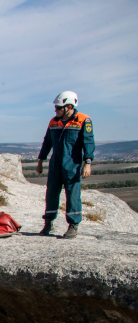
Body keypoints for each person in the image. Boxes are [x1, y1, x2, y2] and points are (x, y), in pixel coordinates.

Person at [35, 91, 94, 239]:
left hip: (72, 164)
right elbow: (47, 142)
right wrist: (41, 160)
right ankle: (48, 222)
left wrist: (87, 163)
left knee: (73, 194)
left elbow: (89, 142)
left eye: (58, 108)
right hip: (55, 163)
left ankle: (73, 225)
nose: (56, 110)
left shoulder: (83, 120)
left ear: (68, 107)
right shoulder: (54, 121)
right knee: (51, 193)